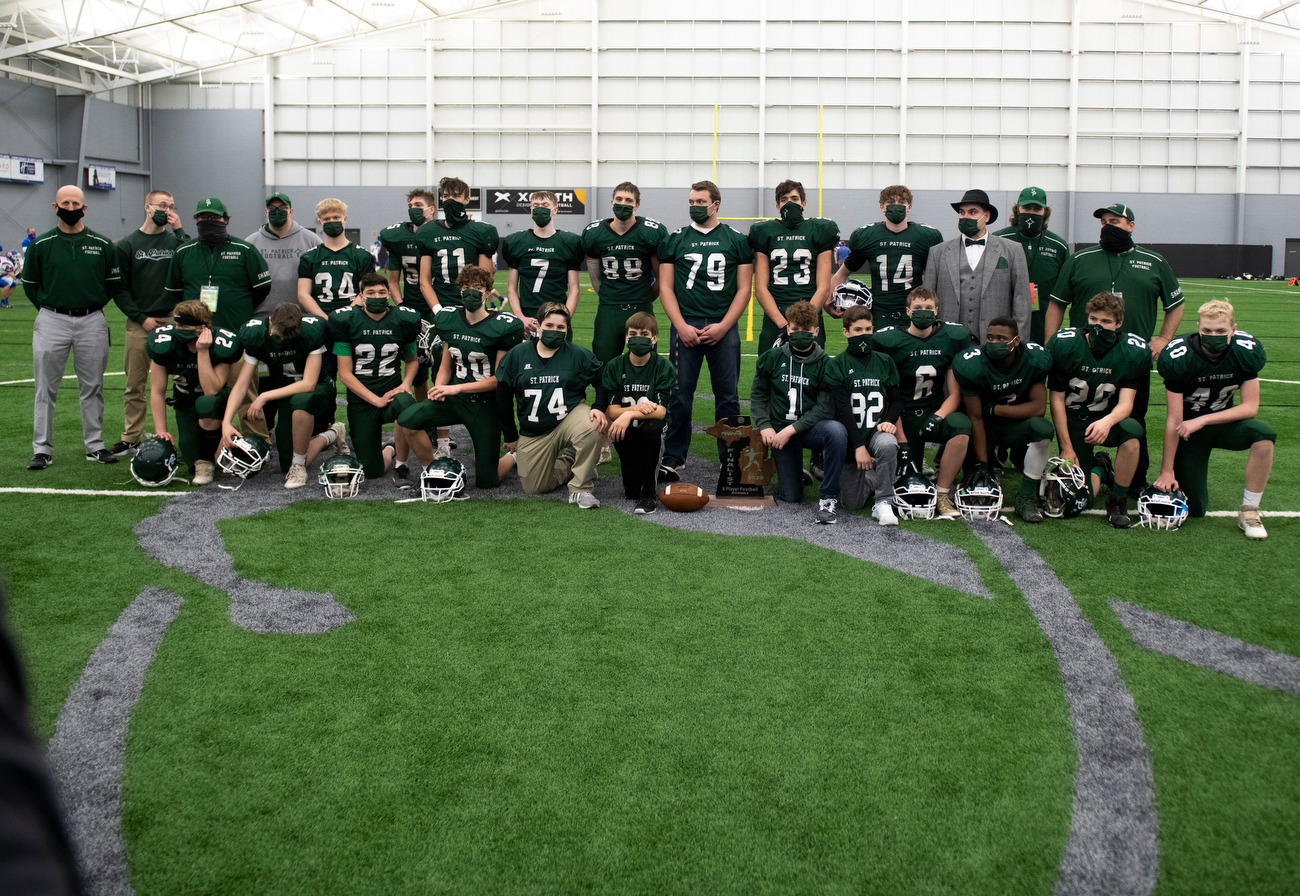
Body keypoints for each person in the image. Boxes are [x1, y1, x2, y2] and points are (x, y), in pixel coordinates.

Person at [1046, 202, 1184, 498]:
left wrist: (1162, 338)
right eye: (1104, 222)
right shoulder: (1080, 258)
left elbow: (1175, 304)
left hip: (1130, 359)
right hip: (1082, 356)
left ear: (1131, 226)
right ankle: (1085, 462)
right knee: (1077, 411)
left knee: (1134, 418)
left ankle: (1135, 478)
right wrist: (1051, 343)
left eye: (1116, 222)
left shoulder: (1154, 261)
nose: (1108, 227)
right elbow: (1057, 302)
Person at [657, 180, 755, 482]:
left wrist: (724, 325)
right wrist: (681, 325)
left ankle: (732, 458)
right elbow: (666, 287)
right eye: (691, 201)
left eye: (701, 201)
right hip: (685, 324)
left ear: (716, 204)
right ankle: (674, 457)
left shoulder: (736, 240)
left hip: (722, 324)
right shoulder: (675, 239)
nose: (695, 206)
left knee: (728, 397)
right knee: (679, 395)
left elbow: (744, 289)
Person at [395, 264, 526, 488]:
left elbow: (498, 380)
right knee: (409, 419)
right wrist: (439, 387)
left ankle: (514, 455)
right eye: (466, 287)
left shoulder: (503, 325)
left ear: (487, 292)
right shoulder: (450, 319)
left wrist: (455, 388)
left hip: (484, 404)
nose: (470, 291)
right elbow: (446, 364)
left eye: (477, 287)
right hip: (454, 398)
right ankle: (431, 468)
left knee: (487, 481)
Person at [1155, 300, 1275, 539]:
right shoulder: (1180, 355)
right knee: (1195, 509)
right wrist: (1167, 470)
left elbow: (1250, 407)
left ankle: (1250, 511)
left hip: (1221, 424)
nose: (1213, 336)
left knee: (1264, 435)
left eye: (1221, 331)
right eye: (1207, 331)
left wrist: (1204, 420)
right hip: (1188, 431)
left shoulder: (1245, 351)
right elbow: (1174, 419)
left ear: (1233, 329)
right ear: (1198, 327)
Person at [22, 185, 122, 470]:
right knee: (45, 388)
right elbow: (30, 285)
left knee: (93, 386)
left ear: (84, 208)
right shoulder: (41, 245)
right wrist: (49, 306)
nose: (70, 207)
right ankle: (42, 449)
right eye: (64, 202)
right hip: (51, 319)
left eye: (75, 202)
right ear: (55, 207)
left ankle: (95, 446)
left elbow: (112, 284)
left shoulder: (102, 245)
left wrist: (91, 305)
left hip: (92, 319)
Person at [165, 197, 273, 442]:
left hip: (236, 335)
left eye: (214, 218)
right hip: (195, 340)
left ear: (226, 219)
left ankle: (258, 442)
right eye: (203, 218)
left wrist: (238, 308)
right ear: (195, 221)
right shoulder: (184, 252)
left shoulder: (245, 250)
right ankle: (202, 445)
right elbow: (175, 293)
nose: (208, 222)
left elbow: (262, 289)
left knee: (245, 392)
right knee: (201, 396)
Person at [1045, 292, 1150, 528]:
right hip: (1074, 420)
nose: (1098, 326)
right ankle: (1101, 468)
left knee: (1132, 434)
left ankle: (1118, 500)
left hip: (1105, 419)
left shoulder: (1130, 351)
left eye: (1105, 321)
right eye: (1093, 319)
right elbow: (1057, 401)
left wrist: (1108, 421)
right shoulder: (1067, 344)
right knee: (1082, 500)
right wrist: (1066, 447)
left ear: (1119, 323)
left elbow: (1126, 404)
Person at [873, 286, 972, 519]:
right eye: (918, 308)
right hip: (902, 416)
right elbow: (889, 397)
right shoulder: (891, 340)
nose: (923, 312)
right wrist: (902, 441)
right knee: (909, 482)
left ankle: (942, 493)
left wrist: (939, 415)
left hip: (934, 411)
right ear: (908, 311)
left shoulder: (951, 337)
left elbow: (955, 393)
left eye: (928, 308)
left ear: (936, 310)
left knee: (961, 427)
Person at [221, 303, 343, 488]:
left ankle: (299, 467)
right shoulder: (256, 335)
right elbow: (241, 384)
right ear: (269, 321)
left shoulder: (311, 332)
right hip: (287, 392)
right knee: (286, 462)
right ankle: (332, 434)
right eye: (280, 334)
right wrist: (226, 422)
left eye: (289, 336)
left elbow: (308, 384)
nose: (284, 339)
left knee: (301, 402)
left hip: (319, 388)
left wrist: (264, 396)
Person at [495, 302, 605, 507]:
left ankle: (581, 489)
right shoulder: (518, 354)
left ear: (566, 330)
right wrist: (510, 435)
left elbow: (601, 381)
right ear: (538, 326)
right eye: (549, 326)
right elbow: (502, 394)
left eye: (561, 327)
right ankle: (570, 461)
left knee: (591, 426)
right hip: (535, 429)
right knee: (534, 487)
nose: (555, 331)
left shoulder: (578, 354)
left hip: (568, 418)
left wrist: (598, 406)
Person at [751, 300, 850, 524]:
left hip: (809, 430)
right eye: (795, 329)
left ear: (816, 331)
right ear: (788, 329)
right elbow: (758, 395)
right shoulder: (773, 357)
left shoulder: (826, 364)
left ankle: (828, 497)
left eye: (805, 330)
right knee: (791, 498)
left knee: (836, 431)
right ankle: (794, 472)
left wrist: (790, 430)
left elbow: (825, 408)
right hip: (779, 433)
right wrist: (764, 424)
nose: (799, 334)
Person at [109, 189, 189, 456]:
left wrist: (179, 231)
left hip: (175, 322)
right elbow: (119, 288)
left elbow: (192, 256)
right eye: (162, 205)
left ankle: (188, 436)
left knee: (185, 381)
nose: (167, 210)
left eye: (171, 206)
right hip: (141, 323)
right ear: (147, 207)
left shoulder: (175, 241)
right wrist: (140, 318)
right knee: (135, 383)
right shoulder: (127, 244)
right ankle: (131, 436)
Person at [953, 316, 1055, 522]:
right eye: (990, 338)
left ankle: (1026, 497)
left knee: (1043, 428)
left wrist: (995, 409)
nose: (994, 342)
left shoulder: (1034, 359)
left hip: (1016, 426)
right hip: (984, 429)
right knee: (977, 479)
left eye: (1001, 338)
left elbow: (1037, 408)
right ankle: (987, 461)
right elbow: (975, 416)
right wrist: (981, 462)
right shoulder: (972, 364)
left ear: (1016, 341)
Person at [332, 274, 422, 483]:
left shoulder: (403, 320)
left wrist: (406, 384)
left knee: (407, 405)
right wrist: (375, 400)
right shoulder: (347, 321)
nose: (377, 296)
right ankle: (390, 448)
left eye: (382, 292)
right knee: (371, 471)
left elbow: (412, 360)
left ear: (389, 294)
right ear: (361, 296)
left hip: (392, 393)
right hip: (362, 400)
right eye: (371, 293)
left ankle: (404, 464)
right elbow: (344, 374)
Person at [822, 303, 903, 525]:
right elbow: (843, 409)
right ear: (846, 332)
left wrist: (888, 421)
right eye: (858, 330)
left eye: (868, 329)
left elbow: (896, 400)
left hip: (876, 431)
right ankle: (873, 474)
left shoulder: (885, 361)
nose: (864, 335)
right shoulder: (836, 364)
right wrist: (858, 447)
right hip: (850, 435)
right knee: (852, 503)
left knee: (888, 444)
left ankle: (883, 502)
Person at [145, 300, 241, 485]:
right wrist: (161, 431)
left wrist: (202, 351)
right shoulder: (165, 343)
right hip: (185, 403)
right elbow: (157, 391)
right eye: (177, 324)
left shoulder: (220, 343)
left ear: (202, 328)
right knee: (190, 460)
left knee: (206, 404)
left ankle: (222, 432)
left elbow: (211, 390)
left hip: (214, 404)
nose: (178, 329)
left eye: (184, 326)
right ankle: (215, 444)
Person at [592, 311, 676, 514]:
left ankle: (649, 494)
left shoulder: (663, 366)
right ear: (626, 337)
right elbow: (612, 411)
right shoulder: (614, 366)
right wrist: (635, 410)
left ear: (654, 338)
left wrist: (629, 414)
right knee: (630, 491)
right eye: (633, 333)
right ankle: (656, 467)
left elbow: (661, 412)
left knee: (651, 430)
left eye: (644, 334)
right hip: (626, 430)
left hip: (649, 426)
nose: (638, 338)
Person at [922, 189, 1032, 341]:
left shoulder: (1012, 250)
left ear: (986, 216)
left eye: (972, 212)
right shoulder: (937, 253)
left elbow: (1022, 304)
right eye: (962, 212)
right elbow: (927, 301)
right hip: (948, 340)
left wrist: (1018, 344)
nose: (965, 217)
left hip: (995, 342)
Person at [830, 185, 944, 329]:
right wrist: (828, 302)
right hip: (879, 313)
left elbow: (941, 280)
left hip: (914, 313)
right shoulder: (868, 236)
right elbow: (842, 274)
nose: (896, 206)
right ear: (882, 207)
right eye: (891, 202)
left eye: (901, 202)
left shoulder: (926, 237)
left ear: (909, 207)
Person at [748, 179, 840, 354]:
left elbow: (823, 286)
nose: (789, 203)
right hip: (776, 313)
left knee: (813, 373)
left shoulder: (819, 229)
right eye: (784, 200)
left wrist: (805, 322)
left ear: (803, 203)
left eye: (794, 198)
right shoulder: (765, 232)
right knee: (769, 372)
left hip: (811, 310)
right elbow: (760, 288)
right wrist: (783, 324)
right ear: (777, 206)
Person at [582, 181, 666, 361]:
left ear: (637, 205)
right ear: (612, 203)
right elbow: (595, 278)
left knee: (645, 364)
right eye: (619, 199)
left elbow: (661, 278)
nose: (623, 203)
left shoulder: (650, 232)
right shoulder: (595, 233)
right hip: (608, 308)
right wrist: (608, 297)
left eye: (628, 200)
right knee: (603, 364)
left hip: (640, 306)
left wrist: (643, 297)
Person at [992, 186, 1070, 346]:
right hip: (1004, 318)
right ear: (1017, 209)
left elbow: (1064, 291)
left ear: (1045, 212)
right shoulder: (997, 240)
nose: (1031, 213)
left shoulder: (1058, 246)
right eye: (1027, 207)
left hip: (1042, 322)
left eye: (1037, 209)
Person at [379, 188, 439, 396]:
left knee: (443, 365)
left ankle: (442, 423)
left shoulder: (442, 236)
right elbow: (393, 282)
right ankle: (426, 419)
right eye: (411, 206)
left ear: (431, 210)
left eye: (418, 206)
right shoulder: (398, 238)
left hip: (439, 307)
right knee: (419, 368)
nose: (413, 210)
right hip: (413, 306)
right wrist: (402, 306)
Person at [502, 190, 585, 337]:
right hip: (527, 317)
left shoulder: (569, 242)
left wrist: (563, 320)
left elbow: (574, 290)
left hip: (557, 313)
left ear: (555, 210)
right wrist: (520, 317)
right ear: (531, 210)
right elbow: (511, 287)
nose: (540, 208)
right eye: (536, 205)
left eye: (545, 205)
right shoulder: (517, 242)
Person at [417, 176, 499, 313]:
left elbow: (485, 280)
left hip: (473, 305)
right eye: (446, 196)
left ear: (467, 199)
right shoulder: (427, 231)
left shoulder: (482, 231)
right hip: (441, 302)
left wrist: (473, 308)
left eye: (456, 196)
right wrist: (438, 310)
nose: (450, 200)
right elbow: (424, 281)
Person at [296, 199, 376, 320]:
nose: (332, 221)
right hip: (320, 319)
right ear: (320, 221)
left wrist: (345, 317)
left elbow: (366, 292)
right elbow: (303, 295)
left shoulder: (362, 255)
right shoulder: (309, 257)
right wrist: (326, 319)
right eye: (327, 219)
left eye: (336, 217)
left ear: (345, 219)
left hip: (354, 317)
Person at [244, 192, 321, 316]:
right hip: (262, 316)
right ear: (266, 212)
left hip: (302, 316)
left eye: (282, 208)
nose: (277, 211)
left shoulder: (311, 240)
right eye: (272, 208)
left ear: (290, 211)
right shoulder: (251, 243)